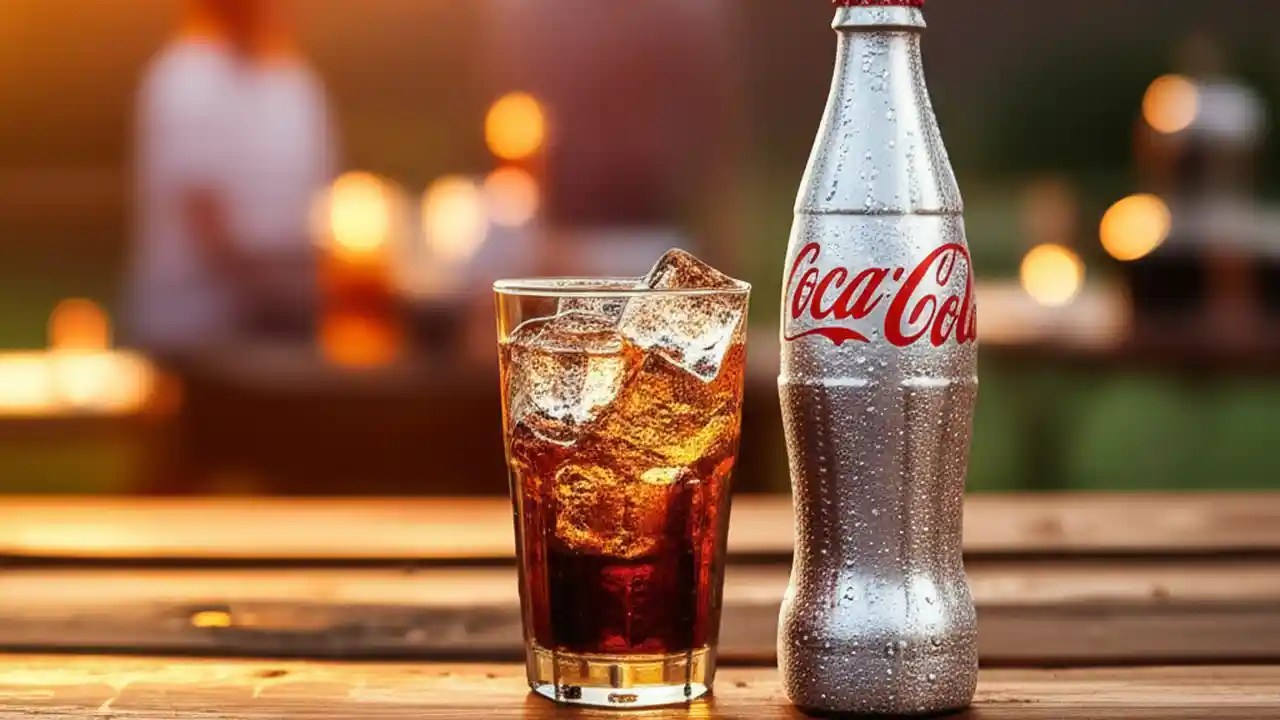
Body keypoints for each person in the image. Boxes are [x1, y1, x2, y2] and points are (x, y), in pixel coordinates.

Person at [126, 0, 337, 357]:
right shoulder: (187, 79)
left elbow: (326, 215)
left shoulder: (295, 82)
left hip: (290, 332)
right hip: (196, 338)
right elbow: (208, 229)